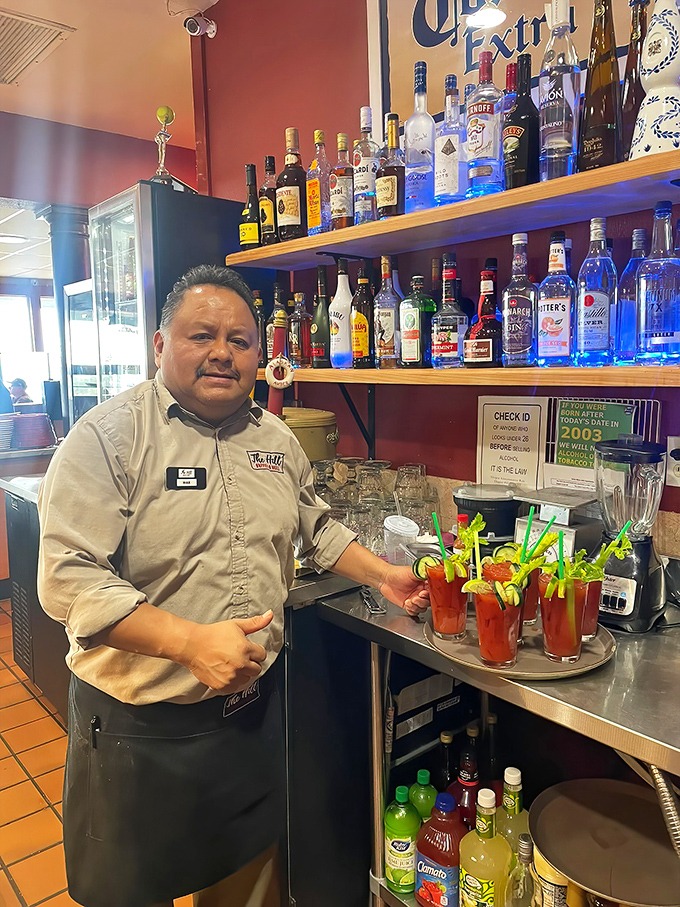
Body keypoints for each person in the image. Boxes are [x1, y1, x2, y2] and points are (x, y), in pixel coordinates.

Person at [37, 264, 429, 907]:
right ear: (160, 345)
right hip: (140, 728)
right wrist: (189, 643)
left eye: (240, 340)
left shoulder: (275, 440)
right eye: (201, 335)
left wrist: (384, 573)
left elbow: (315, 526)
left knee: (248, 888)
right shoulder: (108, 438)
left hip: (250, 719)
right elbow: (68, 582)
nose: (222, 352)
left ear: (259, 354)